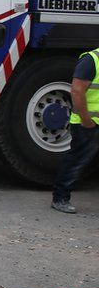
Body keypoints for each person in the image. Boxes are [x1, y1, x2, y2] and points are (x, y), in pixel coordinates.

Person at [51, 48, 99, 214]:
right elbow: (77, 90)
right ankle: (60, 198)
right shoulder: (92, 59)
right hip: (88, 123)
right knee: (77, 161)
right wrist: (86, 120)